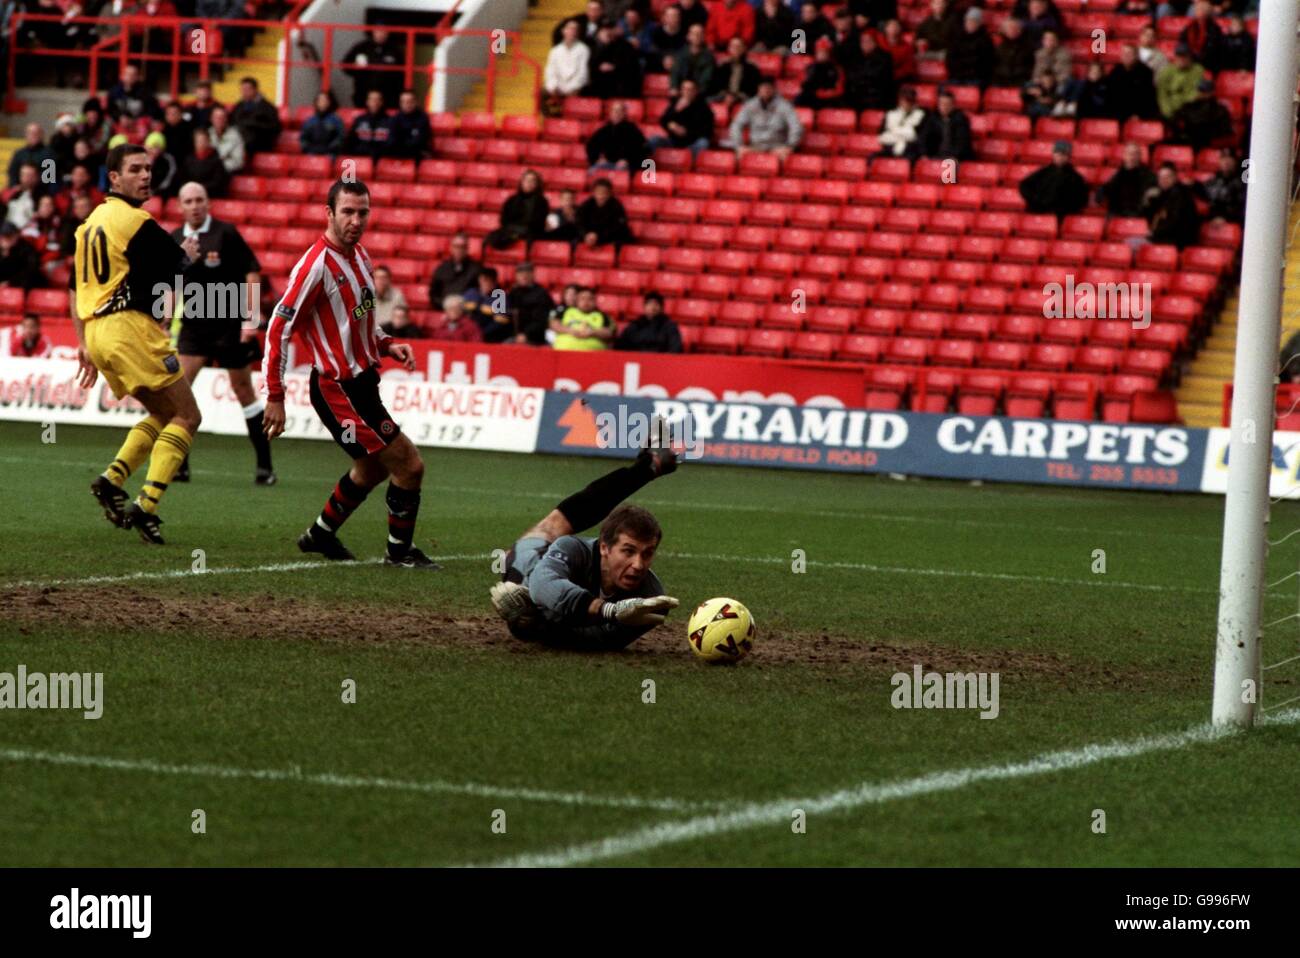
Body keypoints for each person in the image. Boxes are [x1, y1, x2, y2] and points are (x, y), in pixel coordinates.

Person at [262, 178, 436, 569]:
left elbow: (358, 319)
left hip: (363, 384)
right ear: (329, 213)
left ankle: (319, 536)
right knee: (409, 465)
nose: (356, 220)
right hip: (336, 389)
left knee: (371, 468)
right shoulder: (315, 266)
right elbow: (279, 327)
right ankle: (399, 553)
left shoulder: (360, 257)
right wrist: (275, 395)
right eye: (348, 212)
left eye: (363, 212)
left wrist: (387, 343)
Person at [75, 143, 204, 544]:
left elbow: (80, 285)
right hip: (128, 330)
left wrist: (84, 343)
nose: (145, 176)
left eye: (148, 169)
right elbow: (175, 264)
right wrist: (187, 253)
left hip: (97, 331)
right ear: (114, 178)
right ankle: (146, 506)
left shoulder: (89, 223)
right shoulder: (134, 220)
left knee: (164, 414)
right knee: (188, 416)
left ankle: (113, 480)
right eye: (135, 169)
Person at [489, 436, 680, 649]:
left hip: (555, 596)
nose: (638, 565)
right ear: (604, 548)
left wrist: (541, 630)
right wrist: (609, 611)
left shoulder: (652, 599)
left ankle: (649, 466)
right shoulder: (570, 549)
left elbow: (601, 641)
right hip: (528, 566)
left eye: (647, 553)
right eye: (628, 551)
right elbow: (541, 585)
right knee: (550, 530)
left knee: (530, 615)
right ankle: (647, 468)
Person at [168, 180, 273, 485]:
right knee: (180, 393)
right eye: (188, 201)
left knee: (245, 393)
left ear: (209, 203)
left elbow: (252, 272)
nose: (195, 205)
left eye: (199, 199)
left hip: (229, 323)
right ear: (180, 206)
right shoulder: (176, 239)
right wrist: (162, 318)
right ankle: (180, 465)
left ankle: (265, 467)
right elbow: (172, 284)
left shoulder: (225, 233)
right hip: (194, 325)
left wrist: (251, 319)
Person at [727, 79, 802, 158]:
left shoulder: (785, 106)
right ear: (758, 89)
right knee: (739, 156)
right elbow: (736, 125)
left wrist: (790, 146)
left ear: (774, 89)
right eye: (763, 88)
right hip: (755, 146)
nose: (766, 90)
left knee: (786, 158)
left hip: (777, 147)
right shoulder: (750, 105)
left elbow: (796, 126)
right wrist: (739, 145)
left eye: (768, 88)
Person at [1018, 140, 1089, 221]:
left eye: (1063, 154)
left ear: (1069, 157)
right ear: (1053, 154)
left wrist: (1061, 209)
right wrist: (1035, 200)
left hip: (1059, 217)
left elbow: (1081, 200)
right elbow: (1024, 185)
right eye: (1057, 153)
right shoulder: (1043, 172)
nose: (1060, 157)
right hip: (1037, 212)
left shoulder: (1076, 178)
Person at [1138, 162, 1202, 250]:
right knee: (1130, 243)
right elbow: (1147, 216)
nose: (1163, 180)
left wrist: (1155, 233)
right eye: (1160, 177)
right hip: (1162, 238)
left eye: (1167, 177)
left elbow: (1175, 222)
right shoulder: (1160, 194)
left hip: (1177, 242)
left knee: (1136, 246)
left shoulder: (1182, 195)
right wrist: (1147, 202)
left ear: (1175, 178)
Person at [484, 169, 551, 250]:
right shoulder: (512, 200)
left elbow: (539, 224)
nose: (529, 183)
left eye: (532, 181)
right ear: (521, 182)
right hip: (511, 229)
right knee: (490, 237)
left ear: (537, 184)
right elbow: (504, 220)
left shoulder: (542, 202)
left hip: (530, 232)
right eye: (526, 180)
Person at [648, 78, 714, 158]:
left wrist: (686, 132)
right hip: (674, 140)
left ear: (696, 91)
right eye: (684, 89)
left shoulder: (703, 108)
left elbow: (707, 131)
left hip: (692, 142)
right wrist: (674, 117)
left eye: (690, 89)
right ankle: (646, 165)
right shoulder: (676, 103)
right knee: (654, 140)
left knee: (703, 143)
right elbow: (663, 120)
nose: (687, 92)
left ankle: (689, 164)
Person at [342, 27, 404, 108]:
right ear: (373, 32)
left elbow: (402, 73)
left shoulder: (395, 50)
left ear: (388, 33)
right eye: (378, 31)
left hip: (388, 95)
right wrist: (357, 71)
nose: (381, 34)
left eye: (384, 32)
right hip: (363, 93)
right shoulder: (361, 47)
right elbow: (345, 65)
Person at [1170, 78, 1234, 151]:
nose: (1201, 93)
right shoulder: (1188, 106)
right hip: (1188, 143)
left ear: (1212, 92)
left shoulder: (1220, 110)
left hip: (1210, 145)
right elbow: (1175, 121)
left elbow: (1225, 133)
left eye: (1204, 91)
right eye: (1200, 90)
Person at [543, 20, 592, 115]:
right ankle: (550, 119)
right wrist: (553, 86)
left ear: (577, 33)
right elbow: (550, 71)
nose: (572, 31)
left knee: (576, 95)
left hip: (575, 86)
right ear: (564, 31)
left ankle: (568, 121)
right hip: (558, 85)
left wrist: (572, 88)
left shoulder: (583, 49)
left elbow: (582, 73)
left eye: (574, 29)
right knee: (542, 93)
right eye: (569, 29)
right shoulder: (555, 51)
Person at [1096, 143, 1156, 218]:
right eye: (1129, 154)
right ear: (1124, 156)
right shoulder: (1119, 173)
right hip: (1117, 213)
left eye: (1135, 154)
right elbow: (1108, 187)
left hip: (1138, 213)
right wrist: (1101, 193)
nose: (1132, 157)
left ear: (1140, 156)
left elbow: (1154, 191)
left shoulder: (1148, 175)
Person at [587, 19, 643, 99]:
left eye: (611, 29)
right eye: (605, 30)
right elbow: (593, 66)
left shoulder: (626, 46)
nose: (608, 32)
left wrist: (614, 67)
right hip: (602, 87)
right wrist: (602, 45)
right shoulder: (595, 46)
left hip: (622, 87)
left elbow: (631, 68)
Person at [587, 101, 649, 172]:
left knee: (620, 173)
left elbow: (642, 148)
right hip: (607, 163)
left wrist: (627, 161)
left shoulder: (632, 129)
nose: (617, 113)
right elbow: (591, 145)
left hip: (626, 166)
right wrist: (597, 159)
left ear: (624, 113)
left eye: (620, 111)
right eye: (615, 111)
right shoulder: (604, 130)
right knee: (592, 171)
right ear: (610, 113)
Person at [913, 89, 973, 161]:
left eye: (947, 104)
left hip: (955, 158)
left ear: (953, 105)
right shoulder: (931, 118)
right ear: (938, 105)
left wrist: (955, 156)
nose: (945, 107)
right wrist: (923, 154)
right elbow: (923, 137)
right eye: (942, 104)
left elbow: (962, 142)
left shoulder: (961, 119)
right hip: (934, 156)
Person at [844, 30, 896, 111]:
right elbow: (851, 76)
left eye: (868, 41)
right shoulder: (856, 57)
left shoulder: (884, 57)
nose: (865, 44)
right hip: (857, 97)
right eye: (863, 41)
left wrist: (861, 77)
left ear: (875, 42)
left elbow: (877, 77)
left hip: (877, 98)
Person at [1106, 44, 1159, 121]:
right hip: (1117, 115)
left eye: (1129, 54)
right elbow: (1110, 96)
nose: (1126, 56)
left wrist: (1139, 115)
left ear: (1136, 56)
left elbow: (1148, 98)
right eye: (1124, 53)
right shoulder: (1115, 72)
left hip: (1139, 116)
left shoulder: (1146, 72)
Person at [229, 77, 281, 156]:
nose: (244, 92)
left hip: (259, 142)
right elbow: (231, 122)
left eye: (247, 89)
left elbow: (274, 128)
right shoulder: (238, 106)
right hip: (239, 140)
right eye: (242, 89)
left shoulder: (268, 107)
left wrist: (252, 124)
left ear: (255, 89)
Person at [616, 292, 682, 353]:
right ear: (644, 307)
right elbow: (621, 345)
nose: (653, 307)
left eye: (656, 304)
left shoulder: (669, 326)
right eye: (649, 304)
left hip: (660, 362)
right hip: (637, 361)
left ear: (662, 308)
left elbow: (675, 348)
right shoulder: (635, 325)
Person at [507, 262, 556, 345]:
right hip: (514, 335)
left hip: (534, 338)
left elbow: (542, 319)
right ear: (516, 276)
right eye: (520, 273)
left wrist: (526, 334)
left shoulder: (541, 293)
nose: (524, 276)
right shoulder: (513, 292)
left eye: (527, 273)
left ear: (533, 275)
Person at [1193, 148, 1246, 224]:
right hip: (1212, 220)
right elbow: (1206, 197)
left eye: (1230, 159)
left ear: (1235, 162)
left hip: (1233, 222)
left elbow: (1240, 206)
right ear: (1219, 161)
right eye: (1223, 159)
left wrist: (1226, 218)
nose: (1226, 162)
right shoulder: (1213, 181)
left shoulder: (1242, 183)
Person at [946, 7, 994, 89]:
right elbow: (950, 59)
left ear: (979, 23)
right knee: (943, 89)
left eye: (974, 21)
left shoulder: (985, 40)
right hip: (958, 77)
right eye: (968, 21)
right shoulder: (958, 38)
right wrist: (958, 74)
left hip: (976, 78)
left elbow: (986, 63)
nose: (970, 23)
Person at [552, 286, 614, 350]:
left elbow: (609, 333)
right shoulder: (567, 311)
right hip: (563, 351)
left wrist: (592, 332)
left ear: (595, 301)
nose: (586, 302)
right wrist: (570, 330)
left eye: (590, 299)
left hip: (592, 354)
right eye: (582, 298)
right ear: (576, 300)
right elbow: (554, 324)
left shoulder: (602, 316)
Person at [428, 231, 482, 304]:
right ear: (451, 248)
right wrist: (446, 304)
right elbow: (433, 294)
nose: (459, 250)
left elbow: (480, 293)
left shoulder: (476, 269)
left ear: (467, 249)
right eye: (456, 246)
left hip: (467, 310)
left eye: (462, 247)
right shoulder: (442, 269)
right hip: (445, 308)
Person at [576, 178, 632, 248]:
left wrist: (598, 236)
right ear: (594, 193)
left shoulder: (617, 206)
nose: (601, 196)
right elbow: (579, 222)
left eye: (605, 193)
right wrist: (586, 235)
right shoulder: (586, 205)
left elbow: (618, 227)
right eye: (598, 192)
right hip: (589, 236)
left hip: (610, 239)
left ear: (610, 193)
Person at [462, 267, 513, 342]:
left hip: (490, 335)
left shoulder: (500, 296)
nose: (484, 283)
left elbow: (499, 323)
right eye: (482, 280)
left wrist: (481, 333)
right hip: (469, 332)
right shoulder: (471, 292)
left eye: (487, 280)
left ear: (494, 282)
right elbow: (460, 311)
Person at [709, 37, 761, 107]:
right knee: (706, 102)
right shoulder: (722, 66)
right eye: (733, 46)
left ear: (744, 49)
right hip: (723, 95)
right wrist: (726, 95)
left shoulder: (752, 68)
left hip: (744, 97)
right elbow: (715, 85)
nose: (736, 49)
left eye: (739, 46)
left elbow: (753, 89)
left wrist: (737, 96)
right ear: (729, 48)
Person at [1156, 44, 1204, 120]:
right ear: (1175, 57)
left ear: (1190, 57)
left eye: (1185, 56)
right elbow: (1162, 94)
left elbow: (1195, 92)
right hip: (1170, 108)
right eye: (1179, 56)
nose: (1182, 59)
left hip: (1189, 108)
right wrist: (1167, 111)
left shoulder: (1197, 70)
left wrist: (1183, 104)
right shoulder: (1167, 71)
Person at [180, 128, 230, 199]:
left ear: (209, 141)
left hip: (210, 197)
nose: (201, 143)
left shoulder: (216, 160)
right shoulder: (188, 159)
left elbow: (218, 182)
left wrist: (200, 189)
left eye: (203, 140)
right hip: (190, 194)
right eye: (198, 141)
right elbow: (182, 178)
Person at [344, 90, 394, 160]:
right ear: (367, 102)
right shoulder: (359, 120)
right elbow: (350, 143)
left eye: (378, 99)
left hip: (382, 160)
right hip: (361, 159)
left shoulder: (390, 121)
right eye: (372, 99)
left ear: (382, 102)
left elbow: (391, 145)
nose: (375, 102)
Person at [796, 37, 845, 108]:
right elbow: (803, 83)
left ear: (829, 53)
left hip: (829, 99)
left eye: (823, 52)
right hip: (813, 98)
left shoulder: (836, 69)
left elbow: (839, 90)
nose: (821, 55)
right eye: (819, 52)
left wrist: (824, 94)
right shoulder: (810, 68)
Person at [669, 23, 716, 95]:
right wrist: (674, 87)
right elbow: (675, 73)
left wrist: (692, 92)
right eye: (694, 34)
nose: (696, 36)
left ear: (703, 37)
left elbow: (706, 80)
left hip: (699, 94)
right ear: (688, 36)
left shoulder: (709, 57)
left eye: (699, 34)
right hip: (680, 92)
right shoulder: (681, 54)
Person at [878, 85, 924, 158]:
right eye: (905, 100)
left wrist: (894, 131)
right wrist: (902, 137)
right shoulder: (891, 114)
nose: (907, 103)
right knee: (873, 158)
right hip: (889, 149)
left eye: (910, 100)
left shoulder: (920, 114)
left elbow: (913, 136)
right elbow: (882, 137)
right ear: (899, 100)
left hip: (910, 151)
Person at [9, 123, 56, 189]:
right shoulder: (19, 153)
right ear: (26, 135)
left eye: (36, 133)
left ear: (42, 135)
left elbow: (49, 178)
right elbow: (13, 173)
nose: (33, 135)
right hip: (20, 191)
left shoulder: (49, 154)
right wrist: (15, 186)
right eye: (30, 133)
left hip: (41, 192)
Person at [0, 223, 45, 290]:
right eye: (3, 236)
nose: (6, 239)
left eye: (9, 236)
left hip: (26, 288)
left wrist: (10, 282)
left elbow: (31, 271)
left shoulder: (27, 249)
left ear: (17, 235)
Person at [300, 91, 345, 156]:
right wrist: (309, 149)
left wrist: (330, 148)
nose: (322, 103)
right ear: (316, 103)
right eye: (320, 101)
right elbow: (303, 138)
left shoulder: (336, 120)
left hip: (330, 152)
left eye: (324, 100)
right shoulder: (309, 121)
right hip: (312, 152)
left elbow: (340, 137)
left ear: (328, 103)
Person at [390, 89, 432, 160]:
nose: (407, 104)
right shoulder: (396, 118)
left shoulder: (423, 118)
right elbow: (392, 140)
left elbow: (420, 141)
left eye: (410, 102)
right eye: (404, 102)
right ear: (400, 104)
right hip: (399, 154)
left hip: (417, 155)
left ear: (416, 102)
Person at [370, 264, 407, 330]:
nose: (380, 281)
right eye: (377, 278)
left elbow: (402, 320)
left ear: (389, 279)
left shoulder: (397, 295)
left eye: (383, 277)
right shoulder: (368, 295)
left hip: (390, 331)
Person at [144, 132, 180, 199]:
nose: (153, 151)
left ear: (161, 148)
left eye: (155, 147)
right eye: (150, 148)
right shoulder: (143, 159)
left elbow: (169, 180)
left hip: (164, 195)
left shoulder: (168, 160)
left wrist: (154, 192)